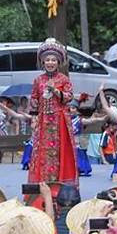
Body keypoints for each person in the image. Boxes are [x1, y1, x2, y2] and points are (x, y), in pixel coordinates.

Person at [28, 38, 78, 186]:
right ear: (43, 62)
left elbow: (69, 97)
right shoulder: (38, 80)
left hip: (60, 120)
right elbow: (34, 99)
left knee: (61, 151)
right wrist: (34, 118)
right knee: (42, 152)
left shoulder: (63, 79)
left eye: (53, 60)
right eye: (47, 60)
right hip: (43, 120)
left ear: (58, 62)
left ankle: (61, 183)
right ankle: (43, 183)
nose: (50, 63)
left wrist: (55, 90)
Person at [69, 93, 108, 177]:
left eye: (73, 108)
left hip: (75, 144)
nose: (71, 110)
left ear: (76, 109)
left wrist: (101, 119)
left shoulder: (79, 120)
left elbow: (90, 121)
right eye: (70, 108)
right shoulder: (64, 119)